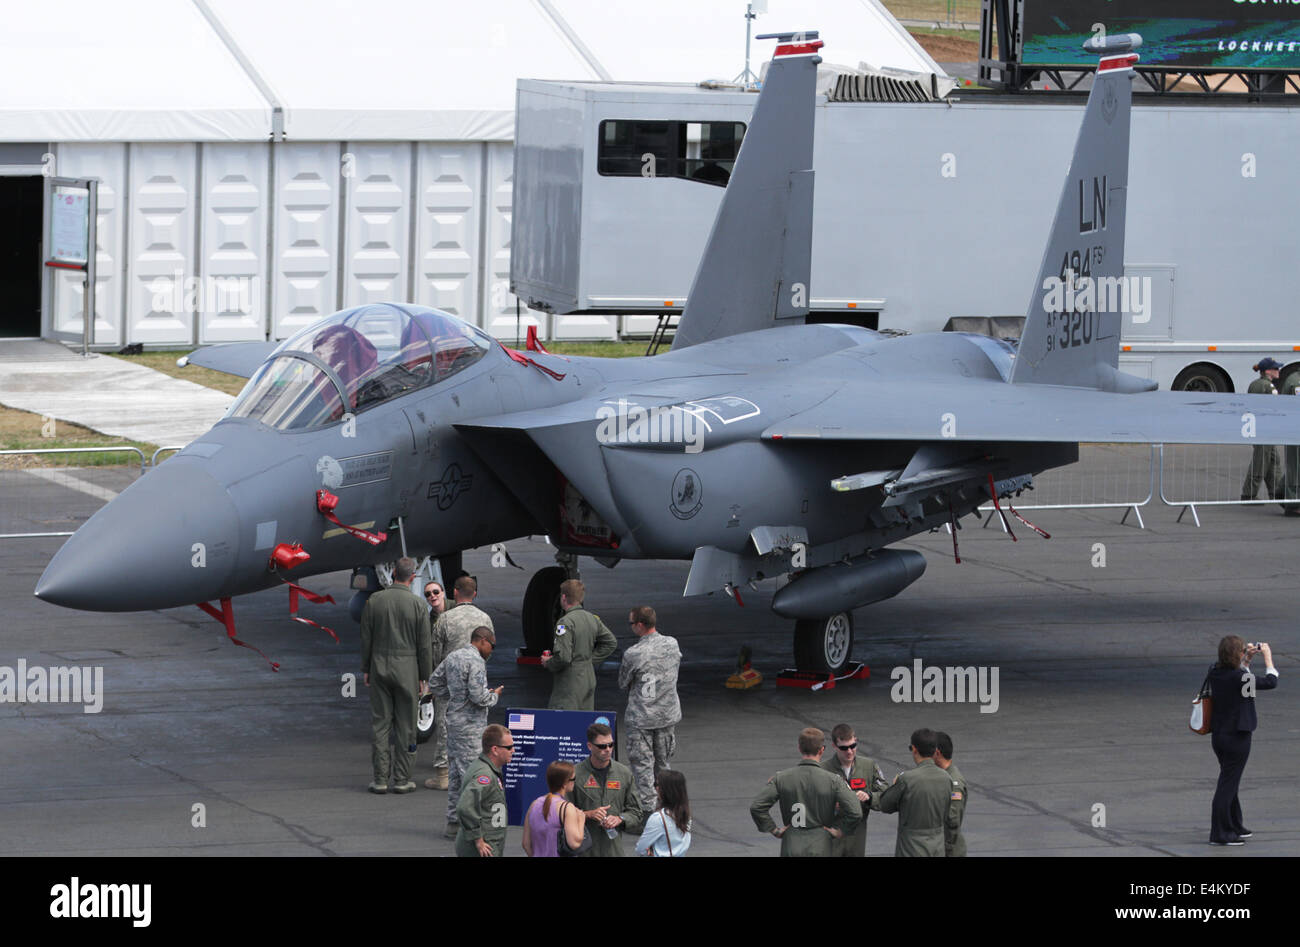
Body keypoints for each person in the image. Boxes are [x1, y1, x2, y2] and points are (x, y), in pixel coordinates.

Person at [359, 556, 432, 794]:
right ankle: (402, 779)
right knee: (406, 726)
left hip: (379, 665)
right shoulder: (418, 604)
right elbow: (424, 646)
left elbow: (366, 639)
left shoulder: (374, 601)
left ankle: (380, 779)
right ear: (412, 577)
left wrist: (366, 668)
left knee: (380, 725)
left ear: (393, 574)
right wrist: (425, 676)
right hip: (408, 668)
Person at [429, 626, 503, 837]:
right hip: (470, 728)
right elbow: (479, 697)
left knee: (455, 776)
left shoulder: (453, 656)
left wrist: (455, 697)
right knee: (472, 777)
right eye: (492, 645)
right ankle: (470, 827)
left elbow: (434, 682)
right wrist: (494, 696)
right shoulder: (476, 661)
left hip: (453, 723)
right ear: (482, 641)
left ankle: (453, 823)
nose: (492, 650)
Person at [1208, 636, 1279, 845]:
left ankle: (1235, 824)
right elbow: (1270, 682)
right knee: (1227, 785)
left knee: (1230, 781)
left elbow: (1243, 682)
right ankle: (1220, 834)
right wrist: (1268, 658)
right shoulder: (1239, 678)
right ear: (1236, 654)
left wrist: (1246, 660)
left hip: (1219, 735)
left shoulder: (1215, 671)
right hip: (1236, 737)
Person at [750, 727, 862, 857]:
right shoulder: (834, 780)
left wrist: (775, 830)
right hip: (820, 844)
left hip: (791, 842)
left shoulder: (781, 778)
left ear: (799, 748)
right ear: (822, 750)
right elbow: (855, 812)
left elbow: (757, 807)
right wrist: (840, 832)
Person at [426, 575, 492, 791]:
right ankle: (475, 771)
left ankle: (444, 774)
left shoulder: (445, 618)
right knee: (475, 724)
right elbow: (489, 650)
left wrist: (436, 679)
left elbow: (435, 653)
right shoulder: (485, 618)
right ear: (475, 593)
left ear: (454, 592)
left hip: (450, 683)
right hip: (476, 679)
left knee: (445, 724)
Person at [618, 605, 682, 811]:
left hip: (642, 719)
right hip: (666, 716)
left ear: (639, 625)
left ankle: (648, 813)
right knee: (663, 765)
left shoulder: (633, 653)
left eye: (631, 624)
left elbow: (623, 682)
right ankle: (670, 809)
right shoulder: (672, 644)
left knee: (643, 767)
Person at [874, 728, 953, 857]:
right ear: (935, 750)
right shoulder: (946, 778)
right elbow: (947, 812)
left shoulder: (907, 779)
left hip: (911, 848)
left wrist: (895, 786)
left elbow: (885, 805)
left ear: (914, 749)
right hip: (937, 848)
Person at [541, 579, 617, 710]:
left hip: (570, 683)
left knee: (563, 721)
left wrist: (549, 662)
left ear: (563, 597)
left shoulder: (565, 622)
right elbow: (611, 642)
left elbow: (564, 657)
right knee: (584, 722)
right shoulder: (592, 618)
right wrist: (588, 660)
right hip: (588, 678)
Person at [570, 722, 644, 856]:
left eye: (611, 745)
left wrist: (620, 818)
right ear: (589, 746)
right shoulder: (575, 774)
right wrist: (587, 814)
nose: (608, 749)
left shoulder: (623, 774)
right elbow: (561, 814)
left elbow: (636, 812)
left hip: (613, 851)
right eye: (602, 746)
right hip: (584, 851)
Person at [819, 723, 888, 857]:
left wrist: (869, 797)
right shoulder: (822, 770)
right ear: (834, 746)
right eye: (844, 748)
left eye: (852, 746)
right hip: (831, 835)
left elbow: (886, 795)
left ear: (856, 741)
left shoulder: (869, 766)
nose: (849, 751)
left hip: (857, 835)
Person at [455, 724, 514, 857]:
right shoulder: (485, 775)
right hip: (482, 849)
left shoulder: (487, 767)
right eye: (509, 747)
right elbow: (464, 807)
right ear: (495, 750)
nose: (513, 750)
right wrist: (478, 840)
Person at [522, 761, 587, 857]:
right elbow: (574, 843)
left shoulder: (534, 804)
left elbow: (526, 844)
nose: (575, 782)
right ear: (565, 783)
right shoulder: (567, 808)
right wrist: (581, 820)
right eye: (573, 779)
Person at [1241, 358, 1282, 502]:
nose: (1278, 371)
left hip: (1256, 427)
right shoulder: (1268, 387)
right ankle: (1249, 494)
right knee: (1261, 462)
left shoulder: (1255, 384)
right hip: (1265, 430)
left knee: (1273, 461)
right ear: (1268, 371)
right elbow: (1273, 409)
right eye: (1276, 368)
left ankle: (1276, 493)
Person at [635, 769, 692, 857]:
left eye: (657, 785)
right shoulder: (686, 816)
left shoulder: (658, 818)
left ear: (666, 790)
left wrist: (650, 852)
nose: (656, 788)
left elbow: (641, 848)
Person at [933, 731, 968, 857]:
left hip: (949, 850)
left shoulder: (954, 782)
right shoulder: (942, 776)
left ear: (937, 753)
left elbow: (952, 820)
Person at [1280, 366, 1300, 515]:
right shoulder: (1296, 382)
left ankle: (1281, 493)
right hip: (1295, 430)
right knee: (1295, 466)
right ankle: (1292, 504)